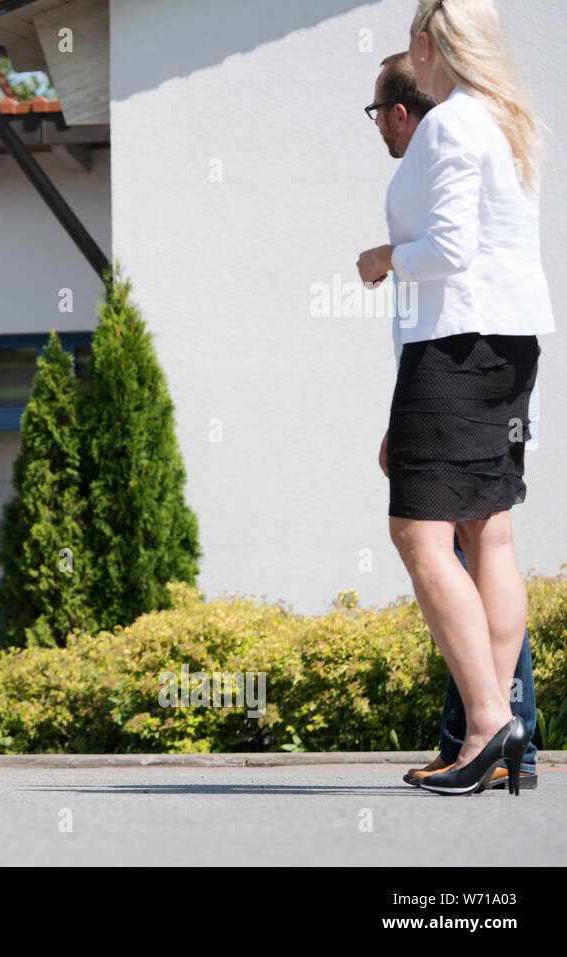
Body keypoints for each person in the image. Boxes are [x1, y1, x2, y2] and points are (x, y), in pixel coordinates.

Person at [356, 0, 553, 795]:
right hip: (511, 345)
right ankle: (502, 725)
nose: (410, 51)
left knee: (417, 532)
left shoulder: (448, 125)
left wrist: (382, 256)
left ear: (433, 45)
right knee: (490, 532)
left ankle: (483, 724)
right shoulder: (509, 121)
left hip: (458, 346)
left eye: (412, 39)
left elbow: (448, 252)